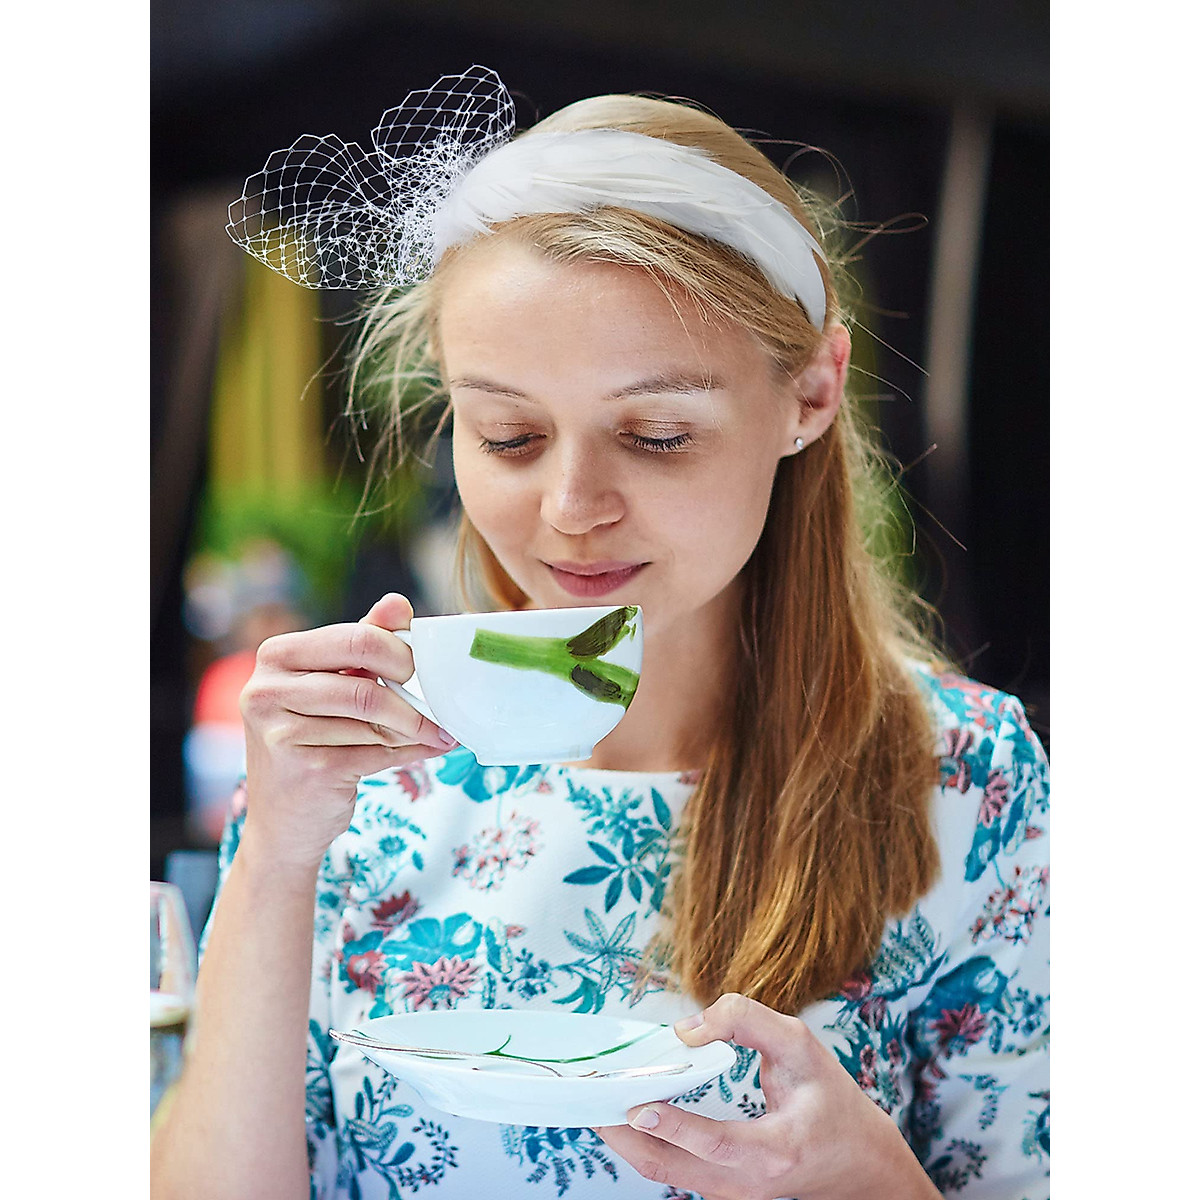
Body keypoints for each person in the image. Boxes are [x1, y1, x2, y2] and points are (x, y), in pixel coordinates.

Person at [150, 67, 1049, 1200]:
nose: (572, 507)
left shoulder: (967, 780)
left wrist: (878, 1183)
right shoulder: (352, 779)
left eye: (659, 434)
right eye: (511, 435)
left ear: (812, 394)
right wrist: (275, 856)